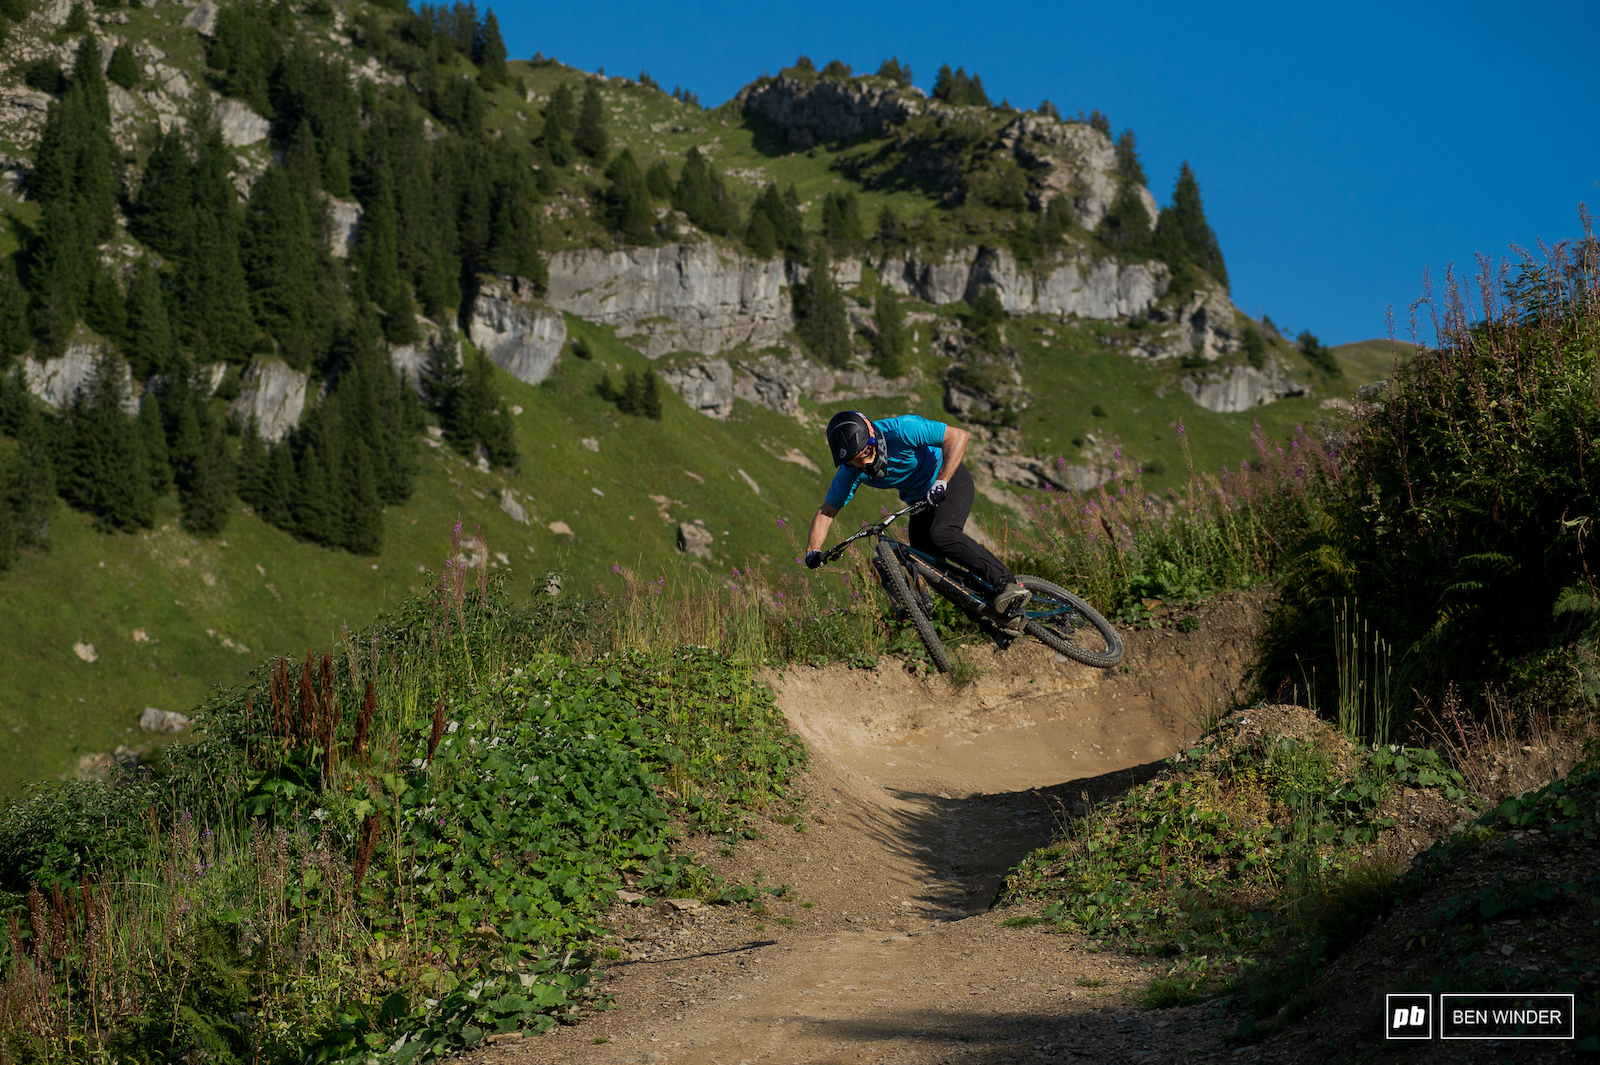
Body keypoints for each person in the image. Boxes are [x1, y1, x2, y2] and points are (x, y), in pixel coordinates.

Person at [803, 410, 1031, 623]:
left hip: (948, 481)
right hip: (919, 502)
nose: (865, 464)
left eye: (867, 453)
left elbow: (958, 436)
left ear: (873, 436)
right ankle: (982, 609)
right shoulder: (851, 472)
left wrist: (941, 481)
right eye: (855, 461)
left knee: (942, 534)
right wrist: (813, 550)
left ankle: (1007, 584)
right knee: (925, 563)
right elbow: (827, 511)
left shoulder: (902, 429)